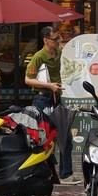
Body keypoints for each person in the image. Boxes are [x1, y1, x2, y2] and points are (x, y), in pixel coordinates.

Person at [24, 25, 78, 184]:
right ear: (46, 40)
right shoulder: (38, 57)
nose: (58, 41)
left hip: (57, 99)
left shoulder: (60, 53)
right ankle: (44, 174)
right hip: (42, 99)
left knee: (65, 136)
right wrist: (49, 86)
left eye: (59, 37)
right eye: (55, 39)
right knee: (44, 138)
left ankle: (66, 174)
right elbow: (28, 79)